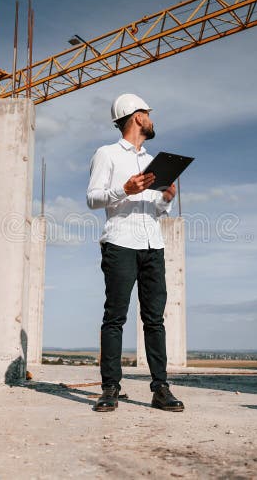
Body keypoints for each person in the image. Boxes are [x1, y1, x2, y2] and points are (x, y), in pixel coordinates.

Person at [86, 93, 184, 413]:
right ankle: (110, 389)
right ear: (136, 117)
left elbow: (156, 210)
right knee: (115, 317)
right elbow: (93, 199)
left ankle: (160, 389)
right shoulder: (107, 154)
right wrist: (123, 190)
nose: (152, 119)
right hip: (120, 244)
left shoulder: (151, 161)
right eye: (148, 114)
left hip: (152, 245)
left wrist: (166, 197)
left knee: (154, 320)